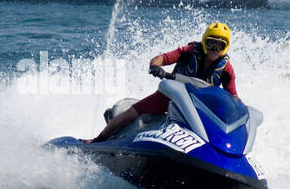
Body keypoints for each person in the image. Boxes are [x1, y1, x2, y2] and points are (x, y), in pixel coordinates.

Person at [88, 23, 237, 142]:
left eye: (220, 46)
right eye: (211, 44)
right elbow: (161, 59)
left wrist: (237, 106)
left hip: (200, 107)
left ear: (226, 47)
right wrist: (155, 67)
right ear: (204, 41)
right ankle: (98, 140)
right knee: (132, 113)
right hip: (172, 97)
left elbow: (233, 95)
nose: (214, 50)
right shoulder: (189, 51)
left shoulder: (226, 69)